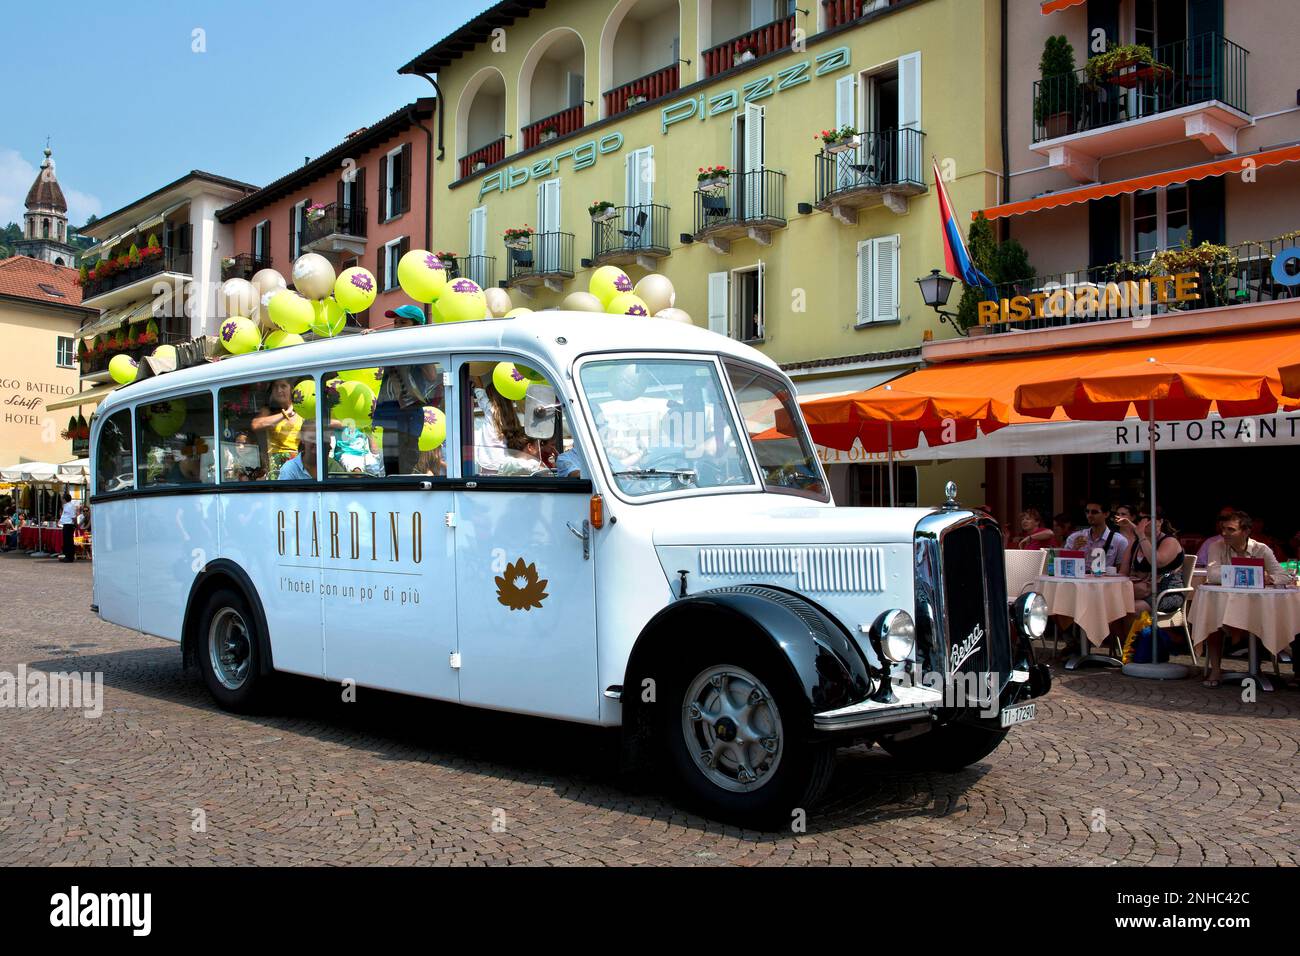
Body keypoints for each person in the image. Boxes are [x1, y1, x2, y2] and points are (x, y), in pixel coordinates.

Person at [1201, 511, 1286, 687]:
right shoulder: (1216, 546)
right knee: (1212, 621)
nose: (1224, 533)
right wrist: (1252, 575)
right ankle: (1216, 669)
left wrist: (1270, 578)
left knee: (1268, 619)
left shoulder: (1261, 549)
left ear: (1246, 531)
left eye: (1231, 530)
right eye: (1223, 529)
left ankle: (1257, 668)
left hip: (1256, 606)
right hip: (1226, 603)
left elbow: (1283, 576)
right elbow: (1213, 574)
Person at [1125, 508, 1186, 616]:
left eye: (1149, 518)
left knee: (1130, 609)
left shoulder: (1170, 541)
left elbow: (1157, 562)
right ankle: (1124, 634)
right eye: (1141, 519)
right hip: (1141, 591)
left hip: (1166, 593)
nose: (1144, 523)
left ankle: (1134, 633)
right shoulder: (1135, 543)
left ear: (1160, 521)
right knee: (1114, 608)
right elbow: (1123, 572)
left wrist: (1142, 536)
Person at [251, 379, 302, 479]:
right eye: (275, 387)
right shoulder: (269, 410)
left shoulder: (301, 408)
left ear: (291, 389)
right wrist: (285, 414)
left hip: (297, 460)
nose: (279, 390)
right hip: (276, 461)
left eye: (283, 386)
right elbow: (256, 424)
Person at [1064, 501, 1130, 572]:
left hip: (1104, 580)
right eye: (1087, 512)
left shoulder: (1119, 540)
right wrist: (1074, 549)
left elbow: (1121, 570)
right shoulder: (1075, 537)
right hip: (1079, 580)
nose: (1089, 515)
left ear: (1106, 514)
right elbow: (1064, 566)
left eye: (1094, 512)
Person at [57, 492, 77, 563]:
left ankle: (69, 557)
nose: (61, 499)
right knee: (66, 541)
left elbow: (73, 517)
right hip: (66, 524)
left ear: (65, 499)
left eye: (62, 498)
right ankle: (67, 556)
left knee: (69, 541)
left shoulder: (70, 506)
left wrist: (75, 524)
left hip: (69, 525)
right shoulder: (65, 506)